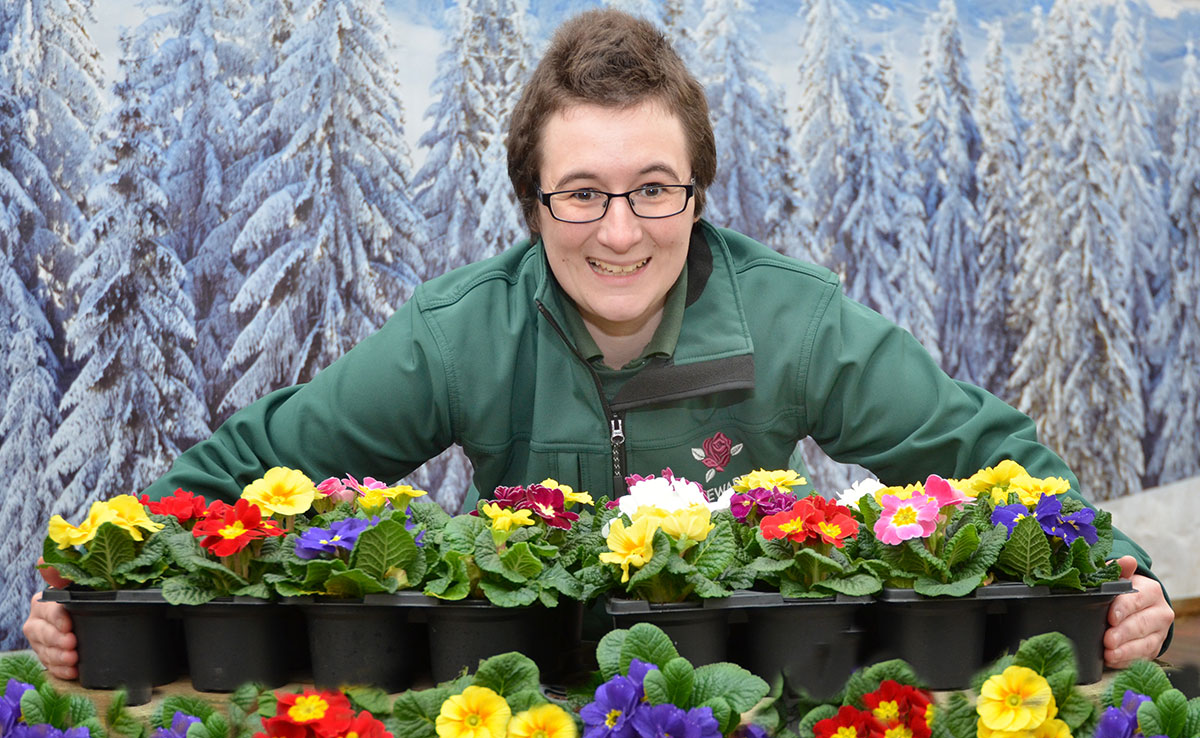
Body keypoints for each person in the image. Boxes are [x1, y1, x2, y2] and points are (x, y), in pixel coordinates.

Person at [25, 8, 1173, 678]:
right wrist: (99, 588)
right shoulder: (457, 331)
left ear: (699, 190)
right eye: (580, 193)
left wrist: (1128, 581)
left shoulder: (793, 317)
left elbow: (995, 459)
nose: (619, 233)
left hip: (749, 717)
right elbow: (240, 473)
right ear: (530, 205)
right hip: (511, 720)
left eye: (653, 188)